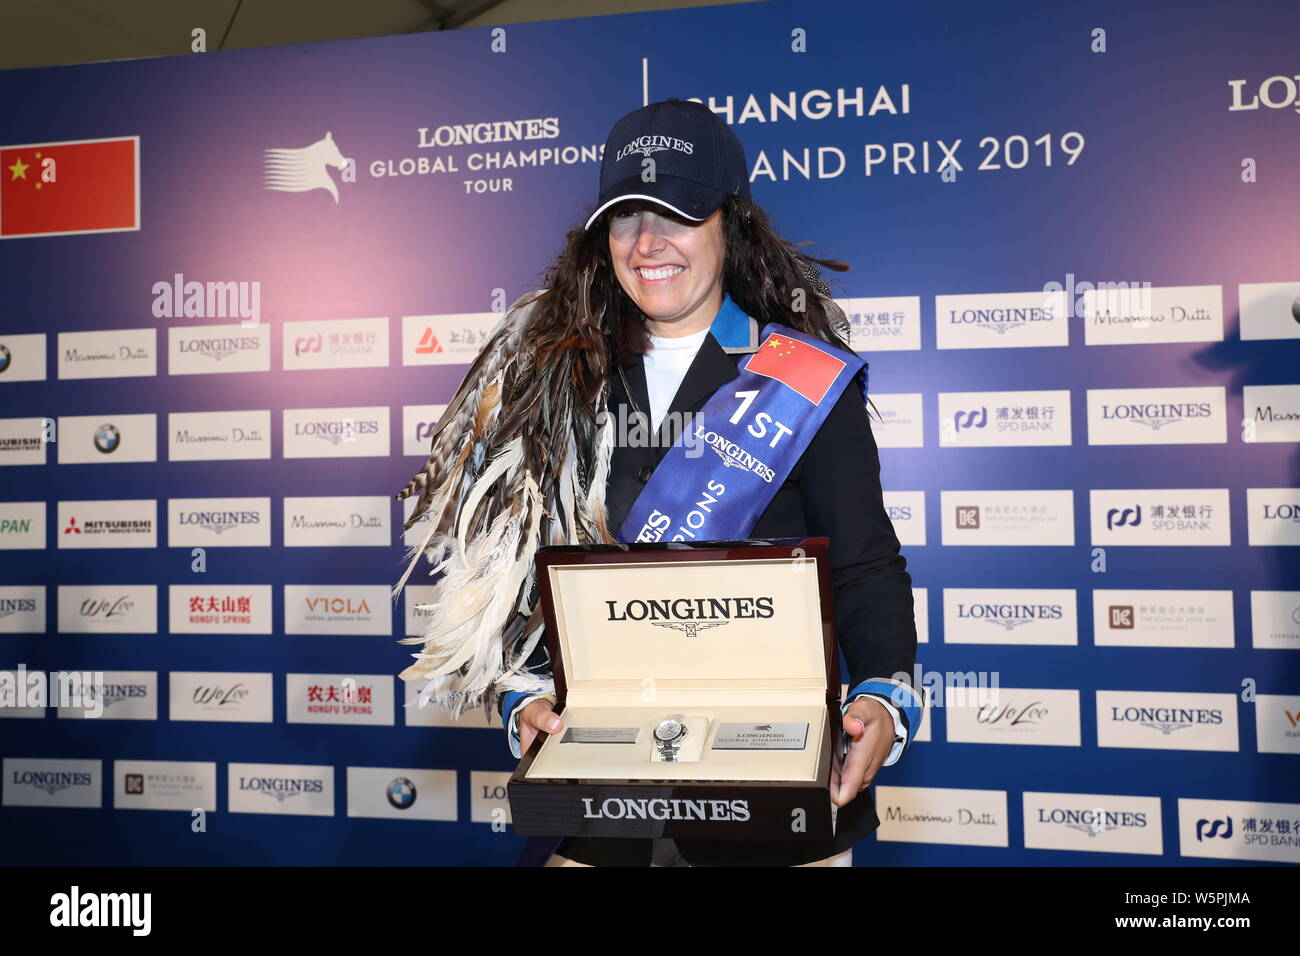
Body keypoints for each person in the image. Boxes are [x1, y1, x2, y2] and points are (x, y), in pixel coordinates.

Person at [394, 98, 921, 867]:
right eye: (625, 218)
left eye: (676, 213)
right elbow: (504, 574)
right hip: (604, 795)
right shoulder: (551, 381)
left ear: (729, 225)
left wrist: (881, 695)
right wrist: (518, 698)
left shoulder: (801, 379)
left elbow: (867, 562)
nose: (647, 244)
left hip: (775, 787)